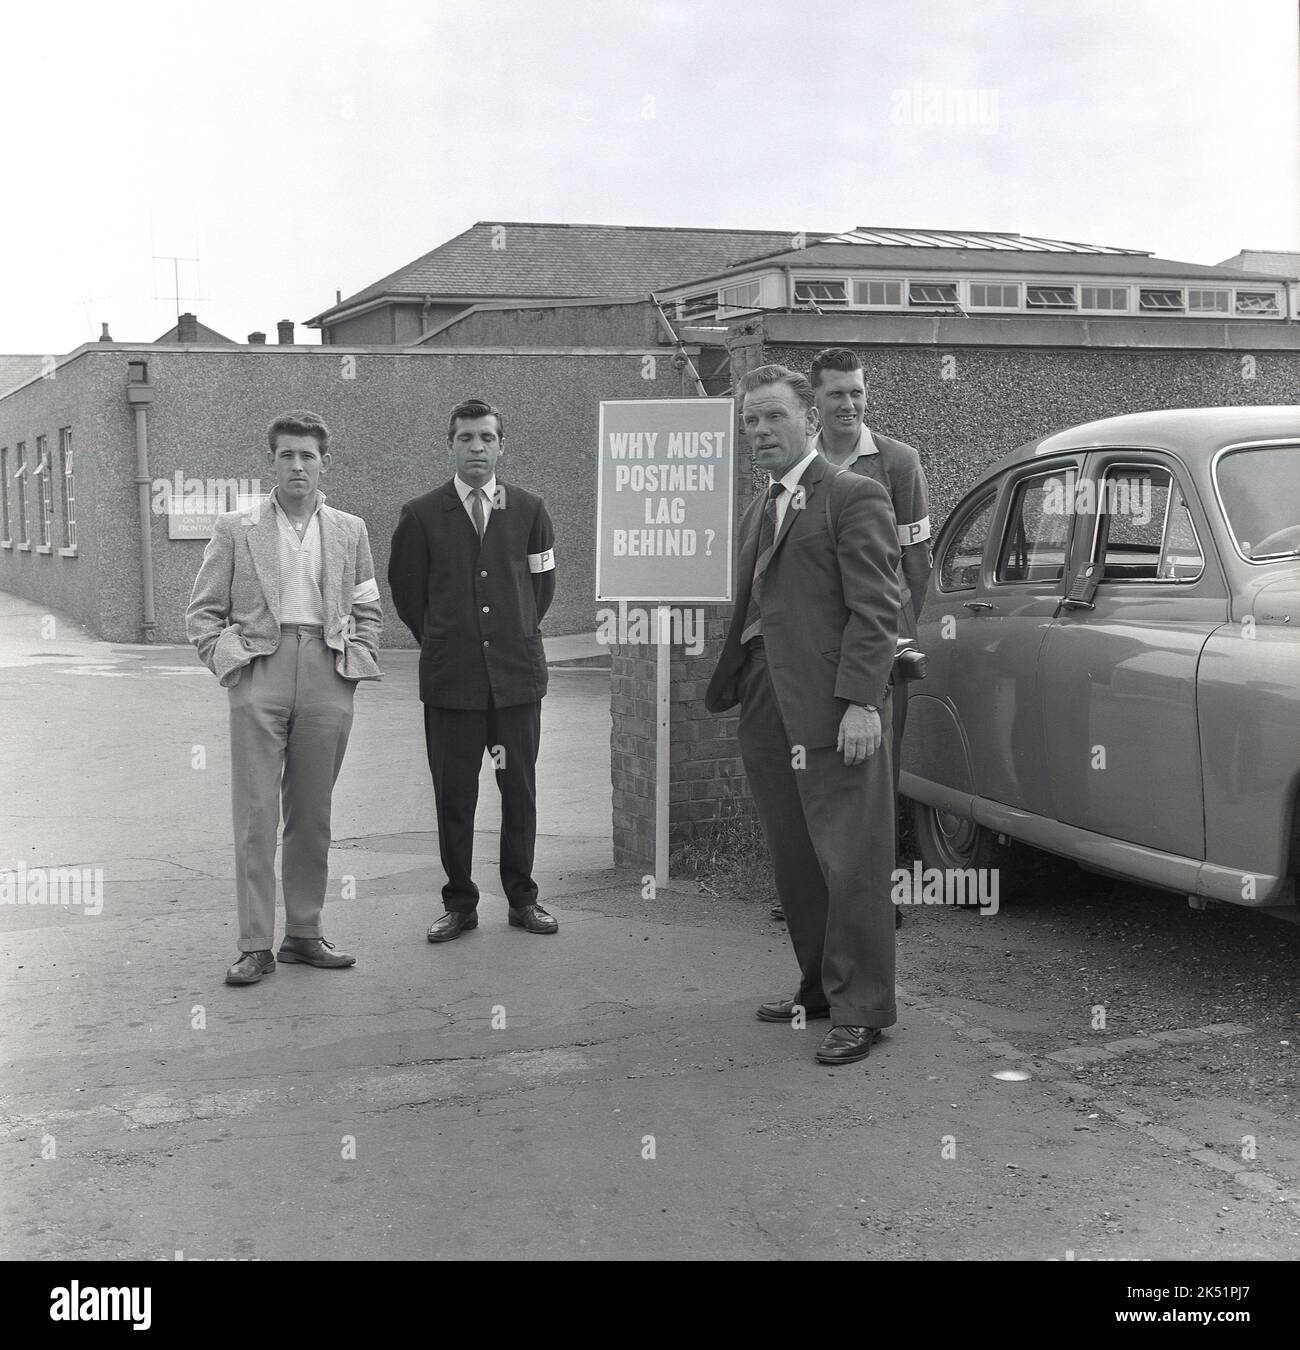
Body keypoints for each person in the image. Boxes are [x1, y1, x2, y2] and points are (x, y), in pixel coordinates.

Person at [706, 365, 900, 1065]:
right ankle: (818, 986)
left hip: (832, 705)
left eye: (773, 417)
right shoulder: (760, 507)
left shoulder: (855, 496)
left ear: (810, 421)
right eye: (750, 421)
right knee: (795, 858)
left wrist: (859, 703)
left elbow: (878, 610)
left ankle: (864, 1007)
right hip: (767, 701)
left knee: (852, 859)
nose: (760, 431)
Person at [186, 410, 383, 986]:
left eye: (308, 456)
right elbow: (202, 612)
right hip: (261, 670)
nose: (298, 465)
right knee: (255, 815)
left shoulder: (350, 529)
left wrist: (354, 660)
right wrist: (232, 664)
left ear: (325, 463)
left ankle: (303, 933)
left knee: (312, 814)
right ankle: (254, 944)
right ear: (271, 460)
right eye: (287, 455)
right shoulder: (237, 528)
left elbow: (368, 603)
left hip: (327, 670)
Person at [388, 397, 558, 942]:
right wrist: (443, 639)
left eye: (486, 437)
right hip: (452, 683)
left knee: (520, 792)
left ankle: (522, 898)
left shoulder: (529, 510)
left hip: (514, 680)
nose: (476, 447)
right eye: (465, 438)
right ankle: (460, 902)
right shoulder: (421, 514)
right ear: (451, 445)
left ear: (501, 445)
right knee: (455, 796)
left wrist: (514, 630)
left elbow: (541, 585)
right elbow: (407, 593)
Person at [808, 347, 933, 931]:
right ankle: (821, 890)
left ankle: (879, 896)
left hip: (878, 642)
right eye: (837, 393)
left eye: (857, 392)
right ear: (817, 400)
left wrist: (905, 639)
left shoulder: (899, 463)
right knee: (816, 770)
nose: (849, 404)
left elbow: (917, 560)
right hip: (812, 644)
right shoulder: (801, 461)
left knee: (879, 773)